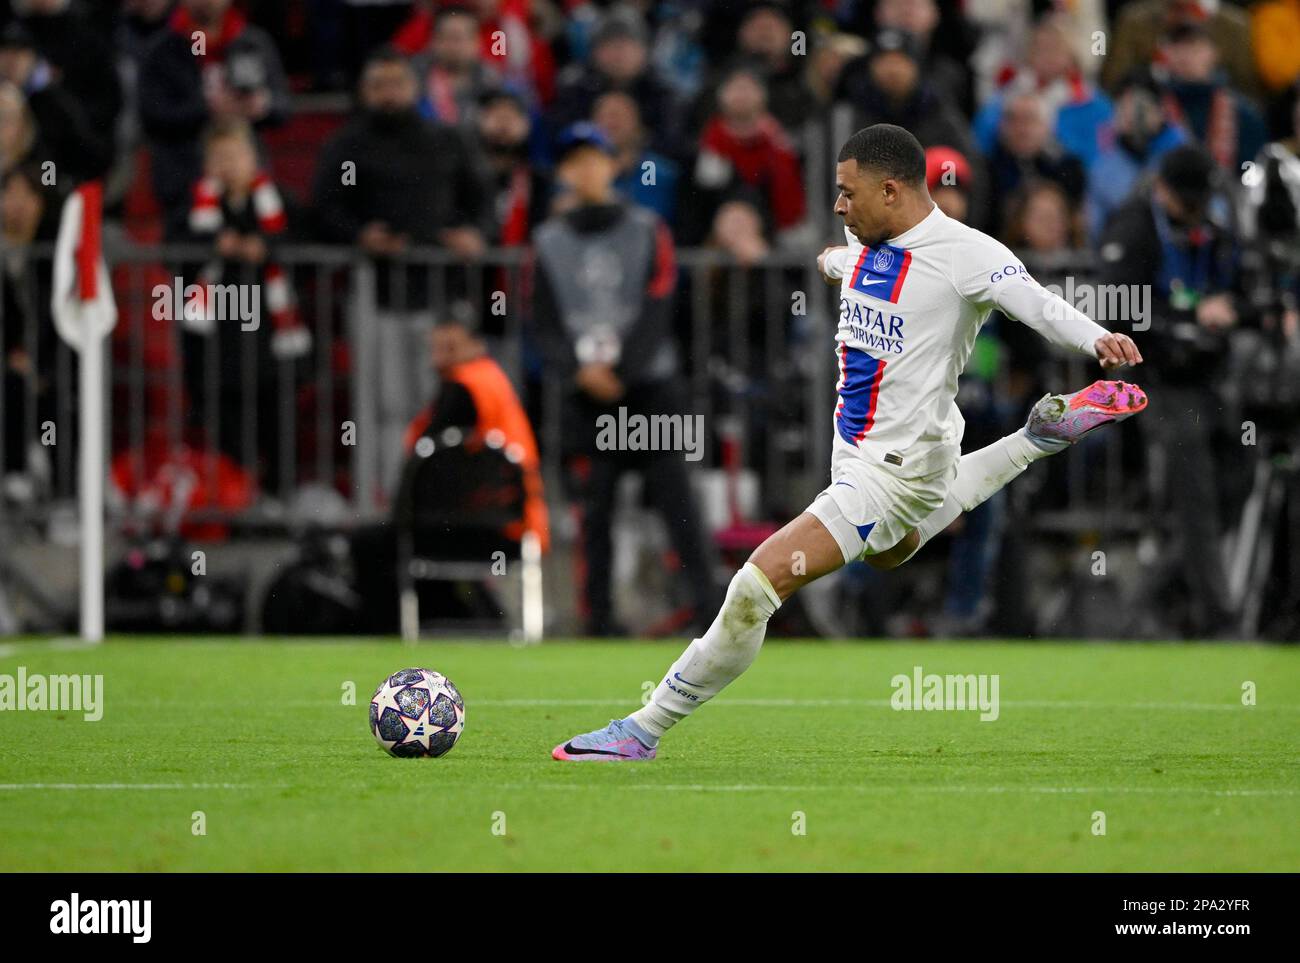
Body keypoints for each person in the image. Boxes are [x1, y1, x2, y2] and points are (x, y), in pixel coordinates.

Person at [553, 124, 1146, 761]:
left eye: (846, 193)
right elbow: (856, 263)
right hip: (884, 459)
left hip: (895, 468)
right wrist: (836, 263)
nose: (837, 207)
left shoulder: (967, 252)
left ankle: (642, 729)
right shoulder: (868, 237)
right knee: (891, 551)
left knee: (757, 586)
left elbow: (1032, 300)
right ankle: (1035, 438)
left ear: (890, 191)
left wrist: (1096, 340)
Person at [533, 121, 716, 637]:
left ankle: (710, 613)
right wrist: (579, 371)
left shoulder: (647, 228)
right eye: (575, 162)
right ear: (564, 172)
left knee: (676, 500)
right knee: (595, 512)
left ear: (613, 165)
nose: (585, 170)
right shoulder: (547, 242)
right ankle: (599, 620)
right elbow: (543, 321)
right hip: (588, 396)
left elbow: (659, 307)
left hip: (650, 389)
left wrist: (618, 372)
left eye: (595, 158)